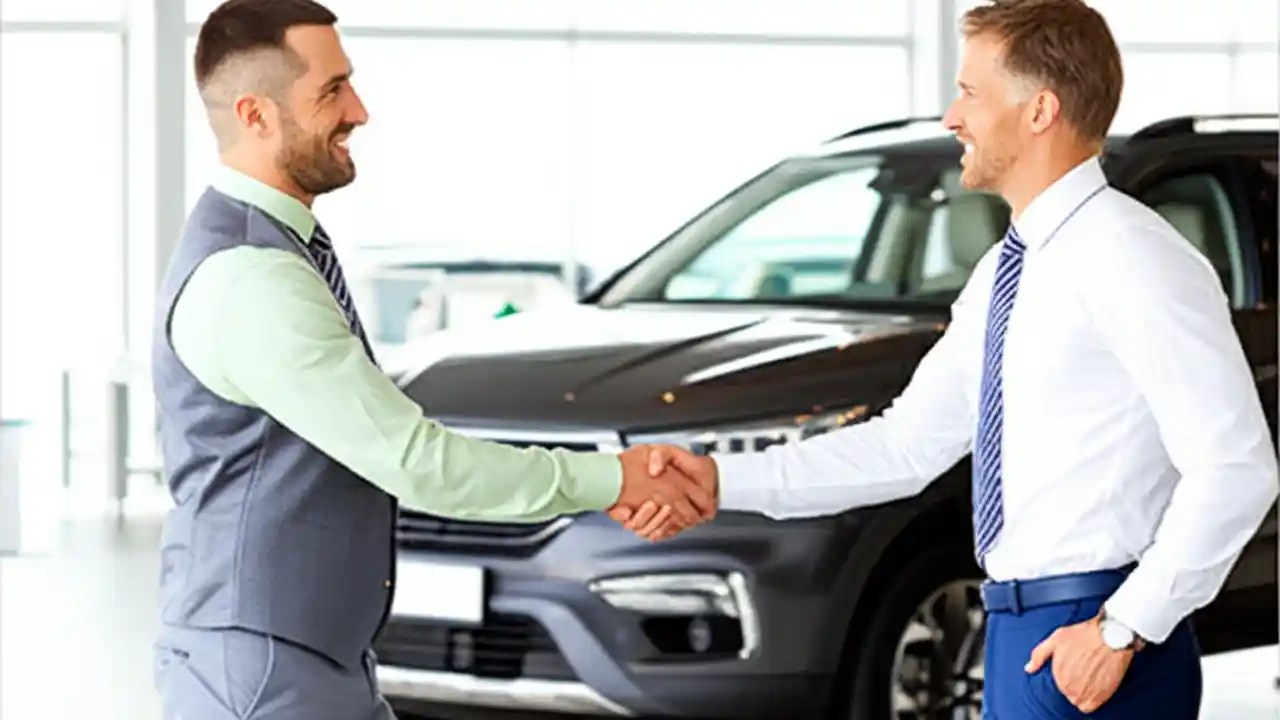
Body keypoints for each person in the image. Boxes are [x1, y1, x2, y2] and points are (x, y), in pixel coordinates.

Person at [621, 1, 1279, 718]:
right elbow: (903, 446)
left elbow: (1236, 467)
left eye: (970, 91)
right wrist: (717, 480)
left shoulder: (1135, 257)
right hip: (1016, 629)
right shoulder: (1008, 269)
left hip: (1096, 631)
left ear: (1040, 110)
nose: (950, 117)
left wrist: (1122, 629)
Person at [152, 1, 708, 718]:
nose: (360, 110)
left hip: (304, 654)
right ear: (256, 115)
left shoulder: (274, 248)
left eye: (349, 82)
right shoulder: (252, 277)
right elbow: (416, 461)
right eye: (331, 90)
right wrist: (616, 477)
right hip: (263, 668)